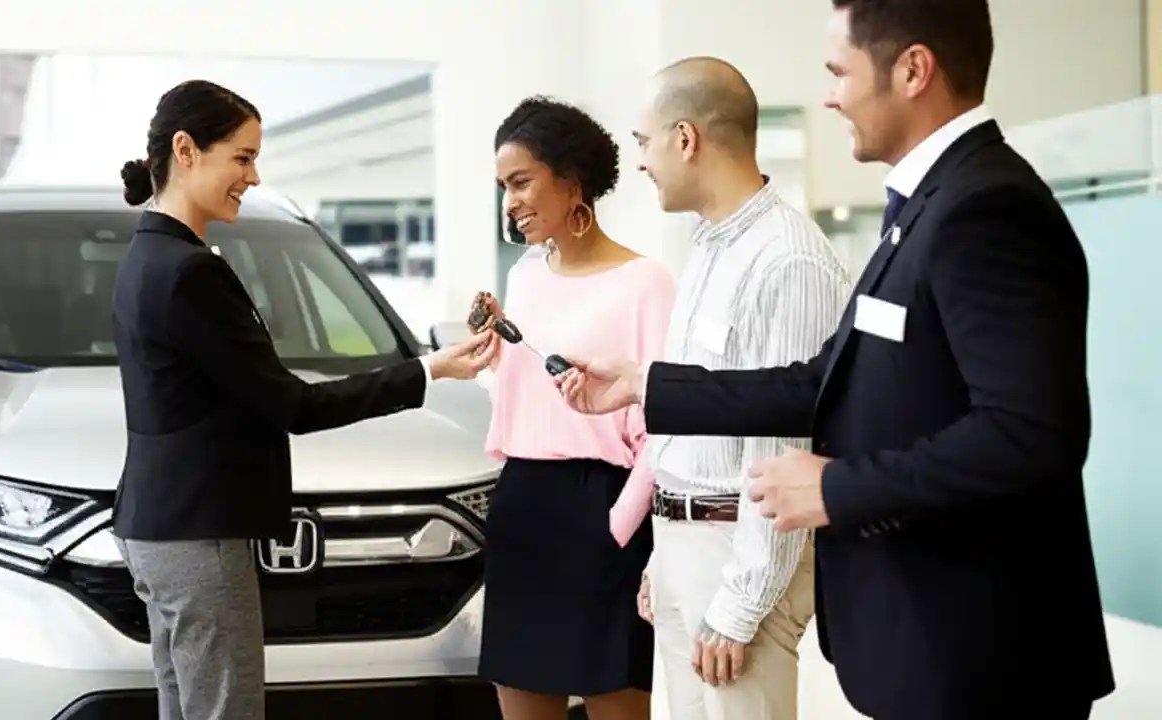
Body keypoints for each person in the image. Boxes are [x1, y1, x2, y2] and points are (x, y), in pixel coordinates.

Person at [554, 1, 1117, 718]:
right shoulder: (927, 206)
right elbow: (825, 382)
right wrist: (646, 385)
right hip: (932, 640)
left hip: (982, 649)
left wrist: (839, 487)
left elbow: (1031, 434)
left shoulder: (987, 208)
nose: (828, 95)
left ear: (913, 70)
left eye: (838, 71)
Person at [109, 79, 496, 720]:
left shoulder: (146, 257)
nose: (253, 176)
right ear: (186, 150)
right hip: (200, 533)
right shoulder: (189, 271)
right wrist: (427, 371)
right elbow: (291, 406)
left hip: (157, 526)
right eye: (242, 156)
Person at [621, 57, 850, 720]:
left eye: (645, 142)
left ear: (685, 138)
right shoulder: (708, 248)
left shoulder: (789, 258)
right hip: (684, 545)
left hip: (739, 557)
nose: (642, 160)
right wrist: (664, 555)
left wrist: (742, 600)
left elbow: (783, 438)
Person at [473, 95, 675, 720]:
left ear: (570, 180)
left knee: (617, 700)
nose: (511, 202)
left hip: (605, 510)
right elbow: (521, 407)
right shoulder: (527, 275)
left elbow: (666, 424)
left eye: (522, 181)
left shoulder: (648, 283)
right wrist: (492, 351)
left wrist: (617, 526)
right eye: (504, 186)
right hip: (524, 506)